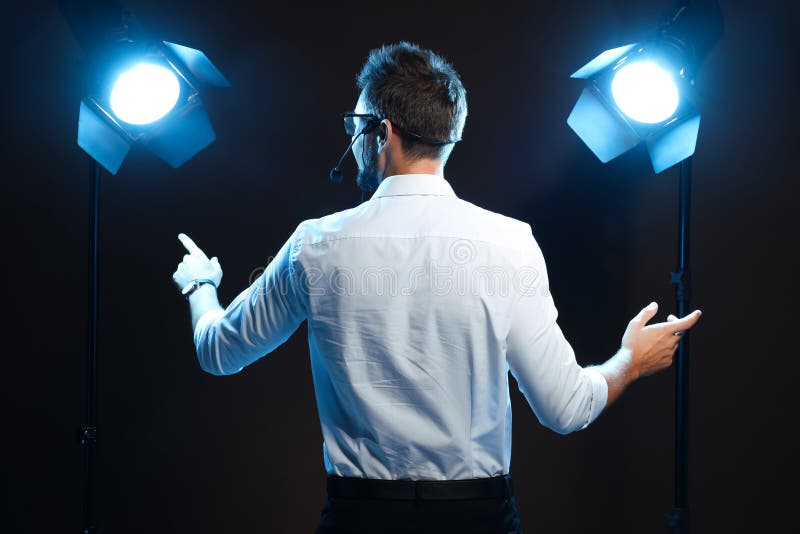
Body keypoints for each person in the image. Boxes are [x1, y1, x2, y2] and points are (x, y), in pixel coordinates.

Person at [172, 42, 702, 534]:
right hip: (478, 520)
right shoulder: (510, 244)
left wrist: (200, 284)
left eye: (355, 127)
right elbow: (566, 408)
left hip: (359, 520)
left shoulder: (314, 247)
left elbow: (218, 351)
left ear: (381, 133)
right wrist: (629, 360)